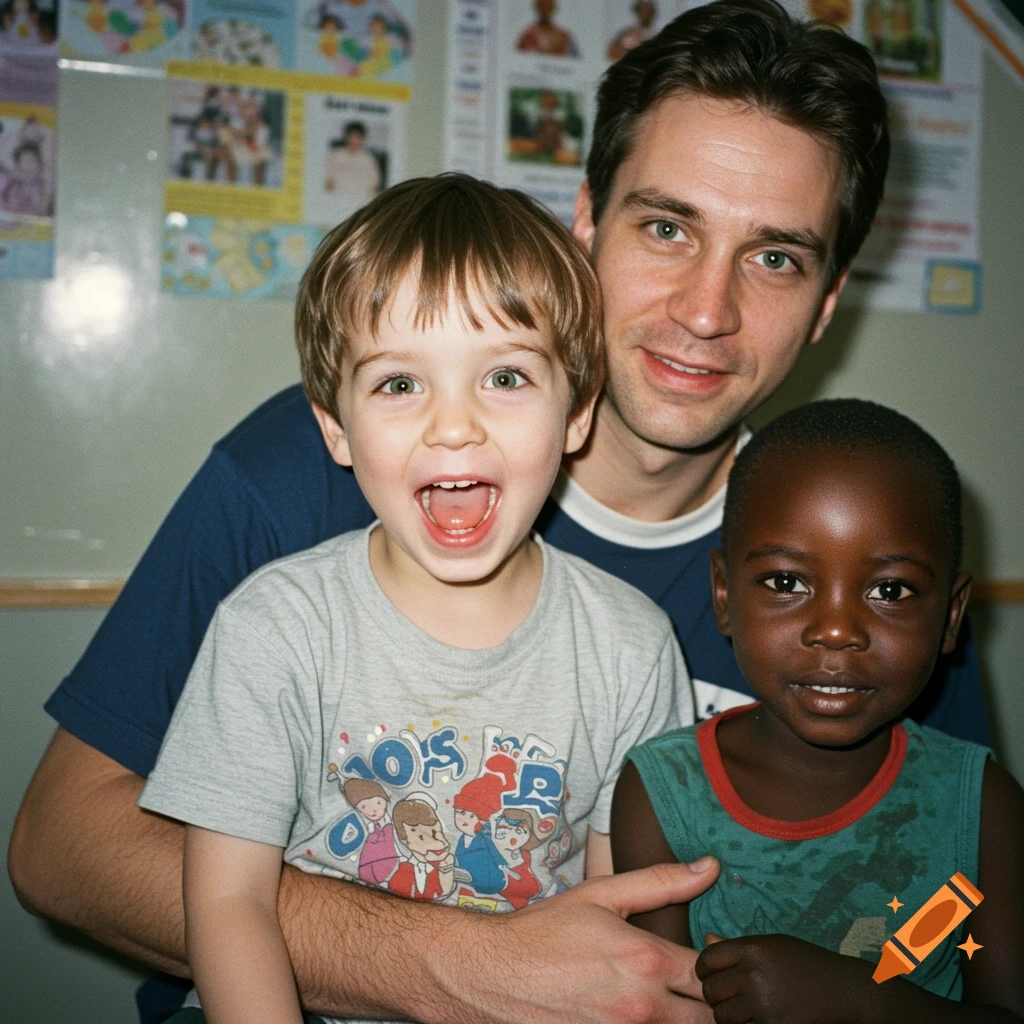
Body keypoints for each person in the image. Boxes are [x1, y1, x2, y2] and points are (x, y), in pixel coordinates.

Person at [9, 2, 990, 1022]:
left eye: (775, 257)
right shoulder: (309, 471)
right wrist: (452, 962)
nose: (707, 309)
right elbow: (62, 844)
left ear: (826, 303)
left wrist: (877, 992)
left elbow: (961, 893)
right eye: (666, 226)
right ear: (584, 223)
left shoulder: (877, 560)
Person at [135, 172, 690, 1023]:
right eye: (400, 384)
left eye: (505, 378)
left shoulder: (631, 647)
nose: (454, 425)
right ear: (335, 427)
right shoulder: (272, 629)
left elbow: (616, 918)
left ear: (576, 413)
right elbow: (227, 905)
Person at [612, 398, 1024, 1022]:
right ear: (724, 595)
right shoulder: (665, 792)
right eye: (786, 583)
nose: (836, 630)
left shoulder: (980, 805)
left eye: (890, 591)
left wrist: (858, 1001)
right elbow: (656, 1009)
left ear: (952, 614)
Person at [325, 121, 381, 199]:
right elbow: (329, 181)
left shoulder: (368, 159)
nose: (354, 140)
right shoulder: (336, 155)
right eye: (352, 136)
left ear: (363, 138)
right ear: (346, 137)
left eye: (357, 137)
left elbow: (375, 185)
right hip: (338, 198)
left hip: (362, 200)